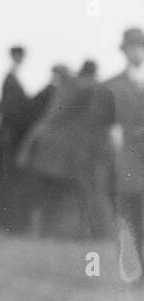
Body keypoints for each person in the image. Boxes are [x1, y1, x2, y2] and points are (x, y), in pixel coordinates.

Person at [20, 61, 115, 238]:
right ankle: (92, 233)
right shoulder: (97, 89)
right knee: (87, 192)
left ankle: (54, 232)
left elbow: (53, 117)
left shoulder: (72, 90)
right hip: (88, 150)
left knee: (61, 193)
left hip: (67, 152)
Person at [106, 28, 144, 283]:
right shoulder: (113, 86)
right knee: (129, 217)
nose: (137, 52)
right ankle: (132, 274)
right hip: (128, 165)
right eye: (132, 47)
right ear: (124, 51)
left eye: (140, 46)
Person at [0, 45, 35, 232]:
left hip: (9, 134)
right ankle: (4, 219)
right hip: (9, 136)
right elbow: (10, 110)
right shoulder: (11, 79)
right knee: (8, 177)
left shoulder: (13, 78)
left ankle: (3, 219)